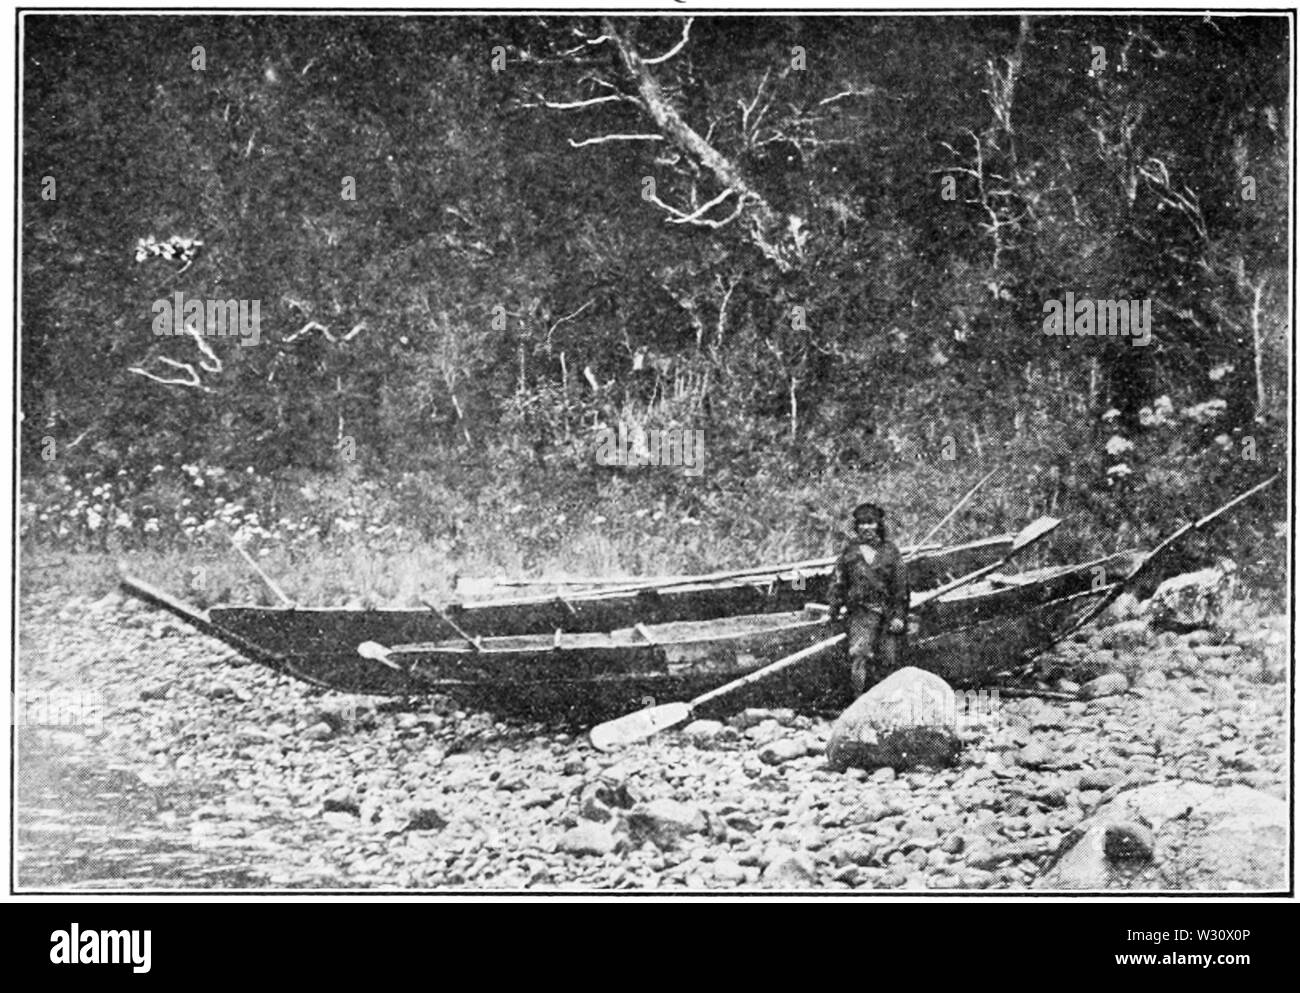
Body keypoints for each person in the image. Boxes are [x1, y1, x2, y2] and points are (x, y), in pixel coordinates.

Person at [825, 502, 910, 695]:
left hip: (886, 613)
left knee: (888, 659)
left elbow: (901, 587)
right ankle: (858, 701)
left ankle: (888, 703)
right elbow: (838, 583)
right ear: (857, 527)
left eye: (870, 523)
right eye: (862, 523)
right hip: (860, 614)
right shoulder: (850, 552)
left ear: (878, 525)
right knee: (859, 655)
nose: (866, 528)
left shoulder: (890, 551)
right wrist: (833, 611)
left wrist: (898, 616)